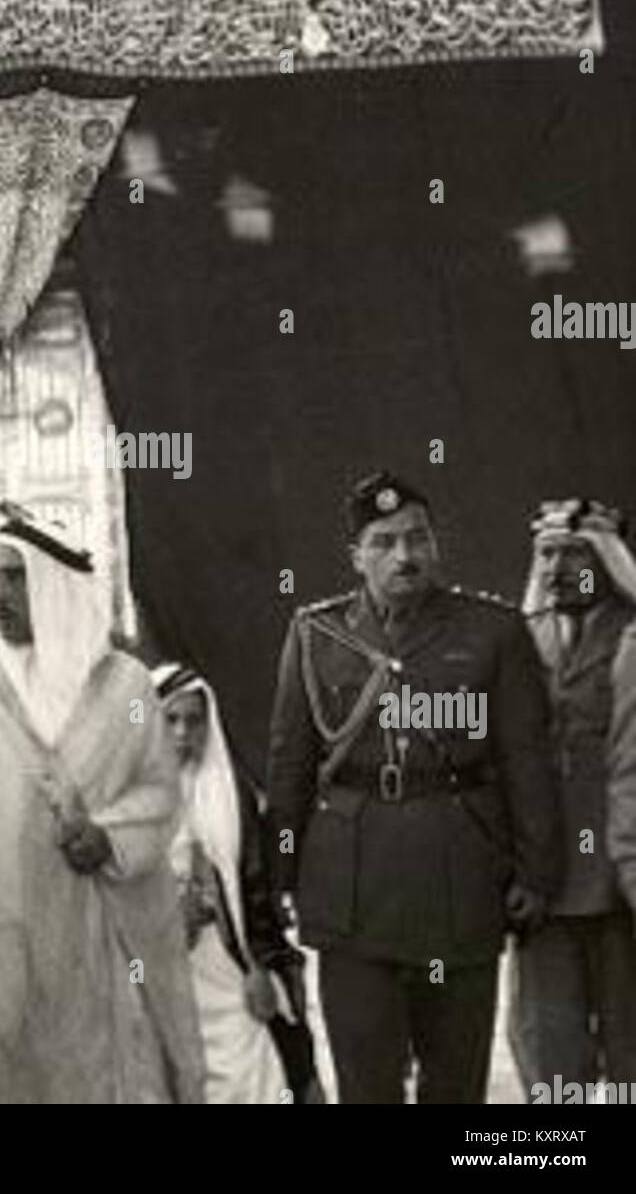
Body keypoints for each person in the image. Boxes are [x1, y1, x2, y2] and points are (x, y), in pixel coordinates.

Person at [266, 470, 561, 1104]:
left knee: (454, 1083)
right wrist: (279, 881)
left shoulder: (493, 633)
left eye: (417, 538)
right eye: (385, 542)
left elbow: (526, 761)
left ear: (436, 546)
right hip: (350, 887)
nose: (405, 555)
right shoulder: (317, 636)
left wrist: (535, 875)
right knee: (366, 1082)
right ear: (357, 558)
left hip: (458, 875)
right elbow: (290, 765)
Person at [0, 505, 204, 1104]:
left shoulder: (126, 685)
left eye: (18, 578)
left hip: (101, 936)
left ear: (59, 589)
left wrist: (109, 838)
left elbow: (160, 791)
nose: (1, 594)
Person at [511, 499, 636, 1095]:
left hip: (621, 876)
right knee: (550, 1044)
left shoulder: (631, 632)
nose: (557, 567)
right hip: (546, 876)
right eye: (547, 554)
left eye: (573, 553)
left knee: (630, 1043)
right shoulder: (523, 638)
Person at [153, 662, 317, 1103]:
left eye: (193, 720)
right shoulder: (127, 797)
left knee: (247, 1075)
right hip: (155, 966)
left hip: (224, 959)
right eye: (170, 719)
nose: (182, 733)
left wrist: (259, 967)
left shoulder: (228, 794)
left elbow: (253, 890)